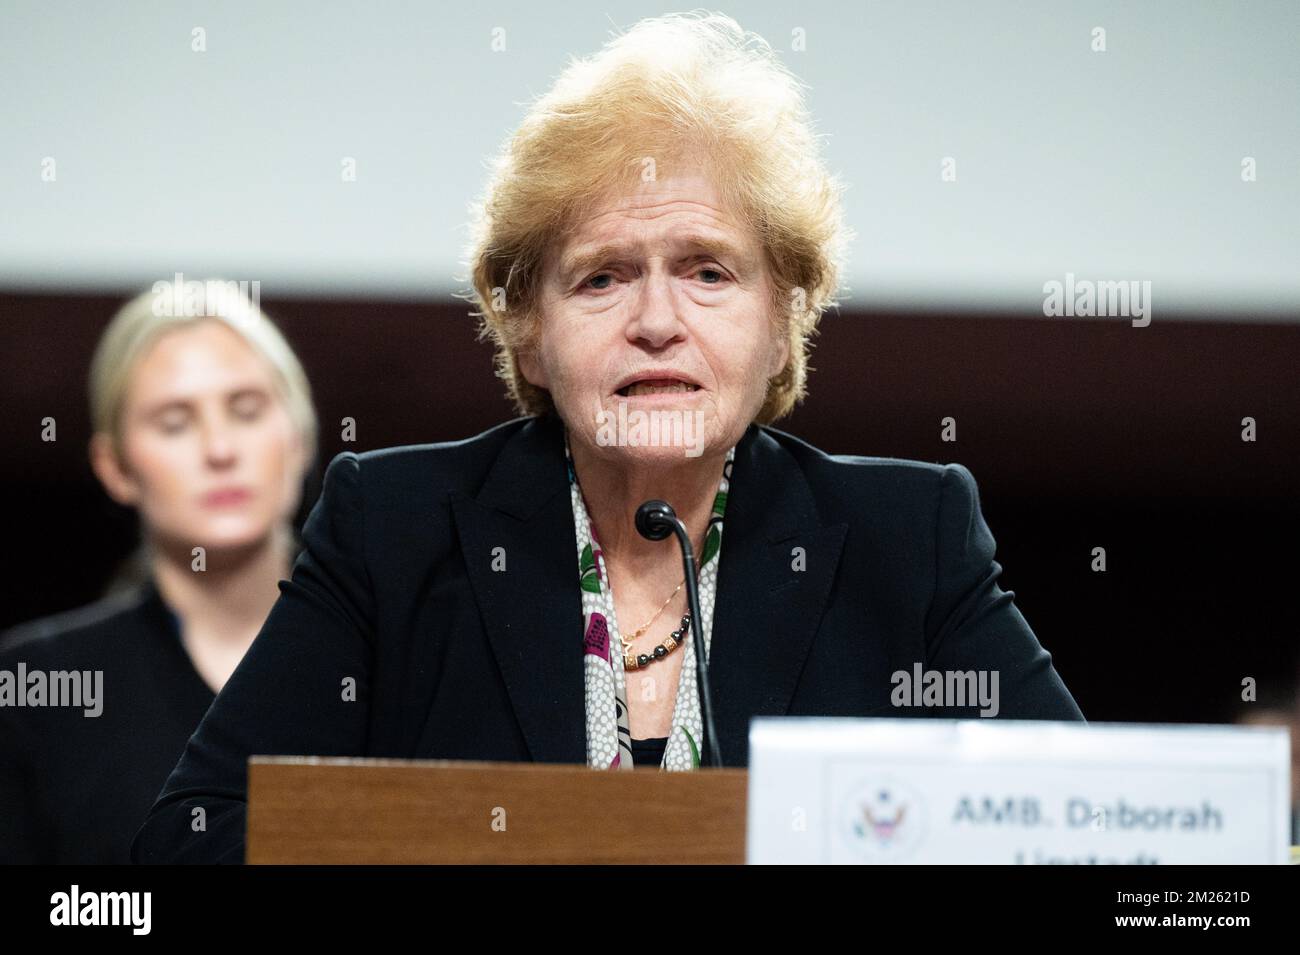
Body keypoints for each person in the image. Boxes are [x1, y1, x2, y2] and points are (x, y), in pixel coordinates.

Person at [132, 13, 1082, 864]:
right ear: (529, 333)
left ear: (783, 324)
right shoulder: (392, 531)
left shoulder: (908, 540)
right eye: (602, 278)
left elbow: (1088, 831)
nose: (657, 320)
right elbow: (191, 839)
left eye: (708, 272)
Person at [0, 279, 316, 863]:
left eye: (246, 411)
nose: (220, 449)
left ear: (296, 438)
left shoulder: (401, 656)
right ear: (115, 466)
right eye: (175, 422)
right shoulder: (33, 689)